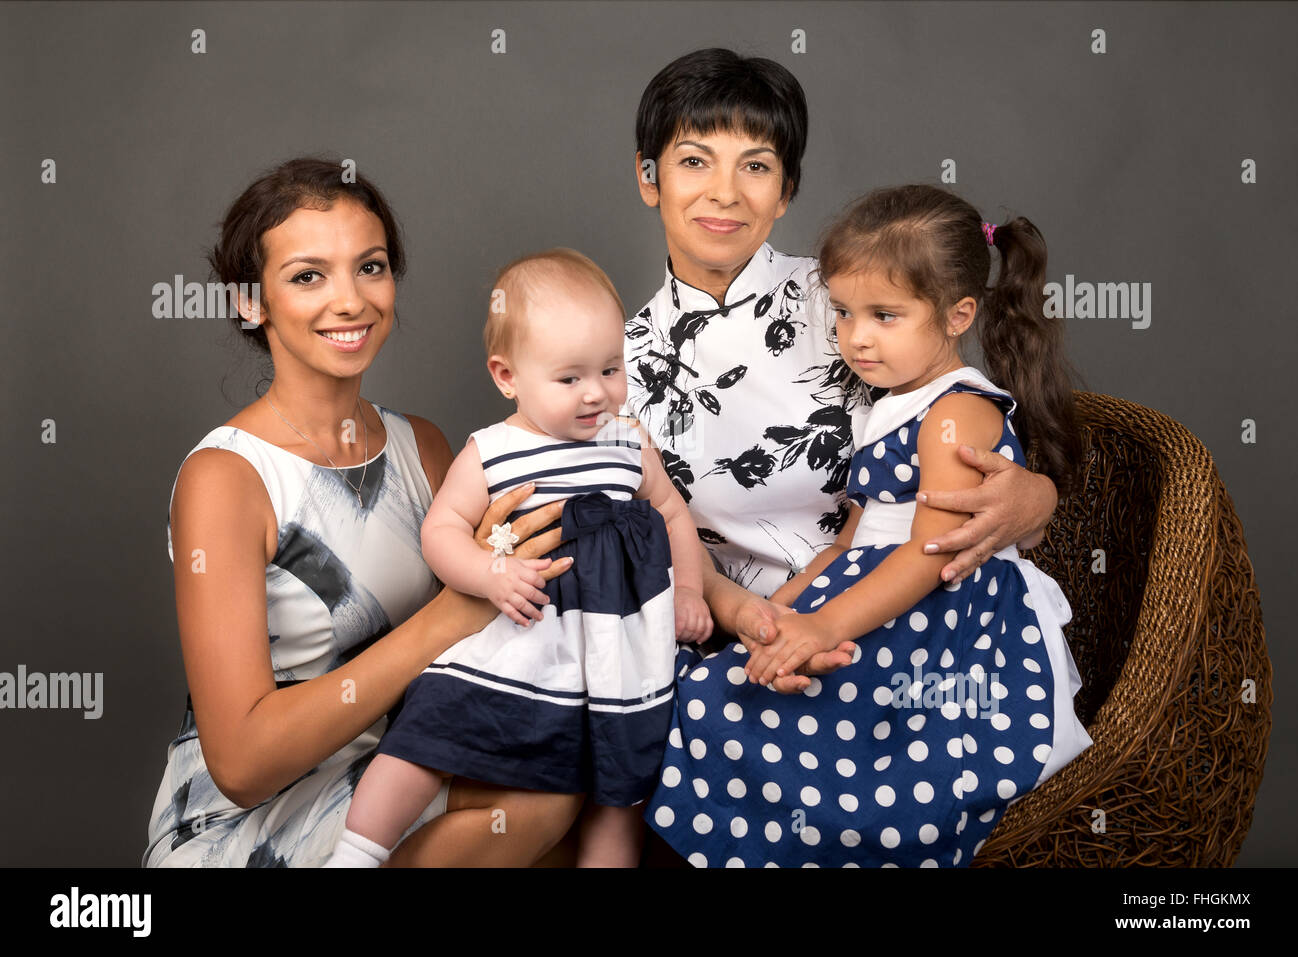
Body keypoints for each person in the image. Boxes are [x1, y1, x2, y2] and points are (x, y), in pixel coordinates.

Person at [143, 158, 584, 867]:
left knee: (581, 788)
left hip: (405, 762)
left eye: (370, 267)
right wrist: (452, 614)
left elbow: (485, 640)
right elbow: (244, 761)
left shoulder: (425, 444)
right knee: (538, 800)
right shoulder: (225, 477)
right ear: (251, 302)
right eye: (308, 275)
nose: (349, 300)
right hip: (254, 815)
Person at [644, 183, 1095, 867]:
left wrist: (824, 627)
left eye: (885, 315)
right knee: (721, 689)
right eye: (846, 312)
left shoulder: (957, 409)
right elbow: (849, 543)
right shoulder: (895, 404)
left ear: (956, 315)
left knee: (803, 745)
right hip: (877, 598)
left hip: (946, 624)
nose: (857, 336)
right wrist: (778, 614)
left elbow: (927, 551)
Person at [625, 49, 1060, 637]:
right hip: (728, 631)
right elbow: (647, 532)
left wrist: (1036, 499)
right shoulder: (619, 362)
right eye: (695, 161)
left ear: (785, 191)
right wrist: (749, 620)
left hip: (901, 617)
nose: (724, 193)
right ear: (650, 179)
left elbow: (953, 427)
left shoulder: (848, 296)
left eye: (755, 167)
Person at [325, 249, 711, 868]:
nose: (597, 393)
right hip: (517, 639)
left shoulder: (628, 441)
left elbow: (670, 512)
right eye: (570, 378)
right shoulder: (495, 450)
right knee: (427, 737)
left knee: (616, 794)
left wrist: (688, 590)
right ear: (508, 377)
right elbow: (442, 529)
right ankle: (357, 852)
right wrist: (489, 572)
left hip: (615, 656)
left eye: (612, 369)